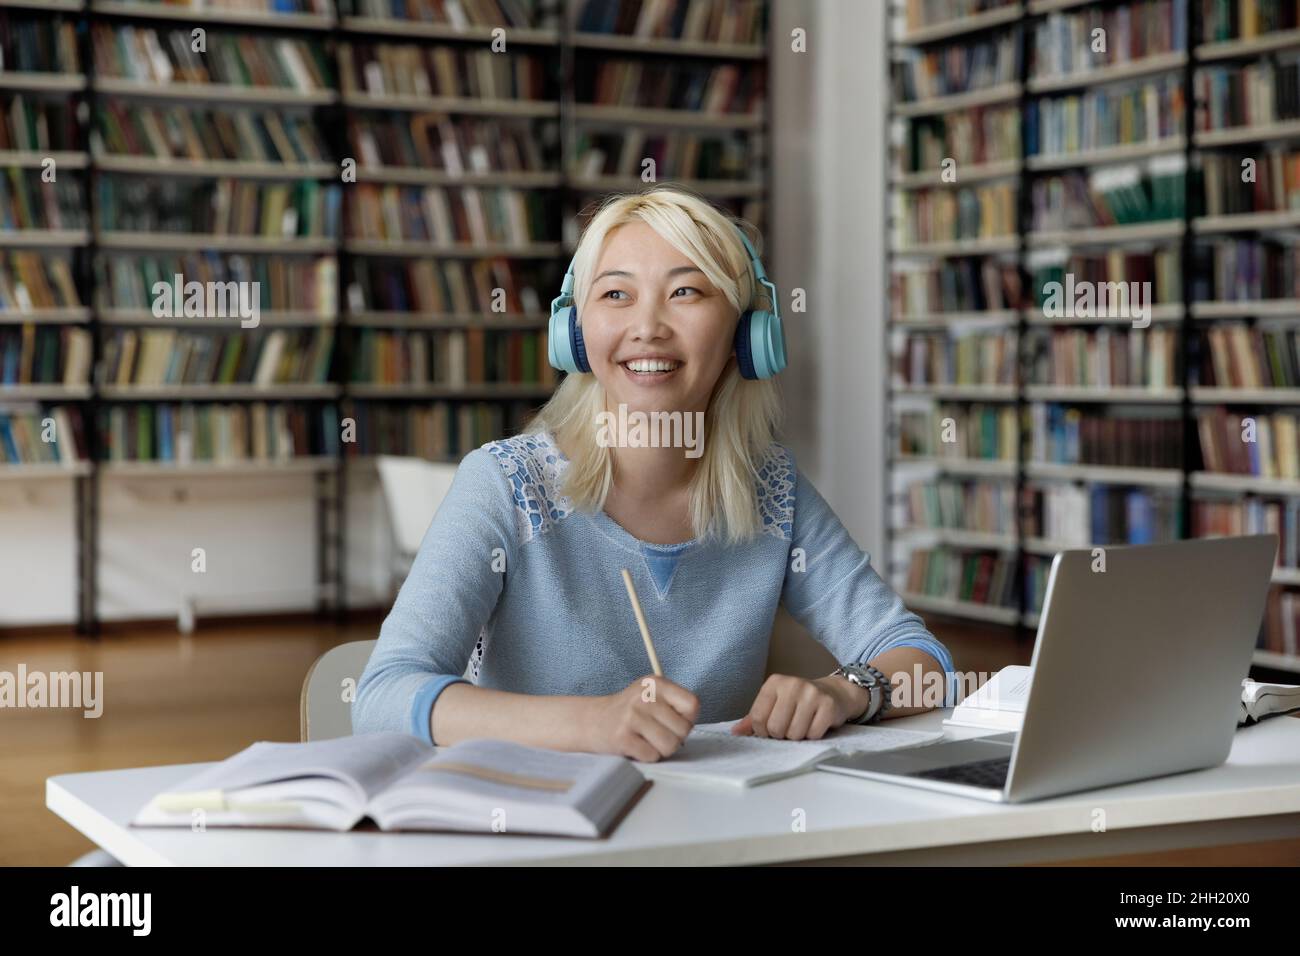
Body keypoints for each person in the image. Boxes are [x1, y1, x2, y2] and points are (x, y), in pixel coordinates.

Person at [354, 185, 954, 761]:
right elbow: (381, 696)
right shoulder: (505, 484)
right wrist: (589, 723)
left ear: (747, 335)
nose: (648, 327)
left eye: (687, 292)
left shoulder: (772, 490)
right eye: (616, 295)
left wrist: (844, 691)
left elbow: (926, 663)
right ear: (576, 333)